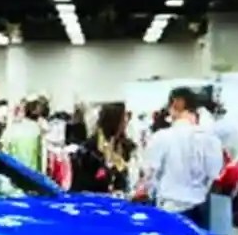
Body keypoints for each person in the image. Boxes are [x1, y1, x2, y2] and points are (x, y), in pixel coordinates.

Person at [142, 90, 224, 227]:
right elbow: (214, 173)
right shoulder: (211, 140)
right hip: (201, 207)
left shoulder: (162, 137)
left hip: (171, 208)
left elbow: (149, 173)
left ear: (176, 104)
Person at [72, 103, 135, 194]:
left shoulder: (123, 145)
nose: (126, 121)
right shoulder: (91, 149)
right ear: (114, 120)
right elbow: (83, 182)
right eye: (123, 117)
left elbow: (123, 175)